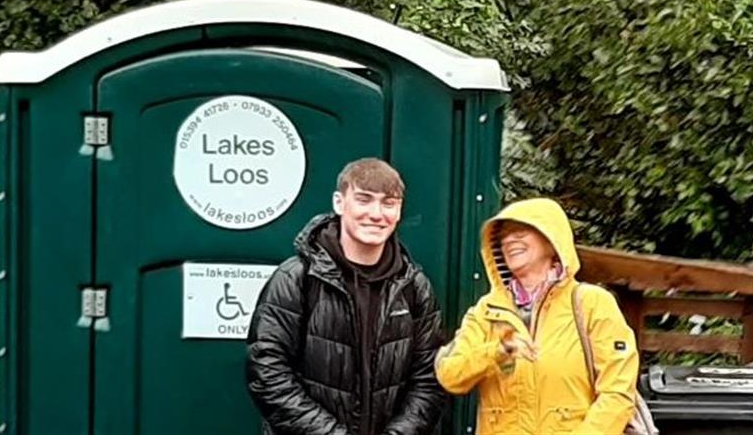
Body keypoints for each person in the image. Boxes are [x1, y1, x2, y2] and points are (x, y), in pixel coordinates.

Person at [246, 158, 446, 435]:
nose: (376, 214)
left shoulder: (414, 286)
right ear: (339, 203)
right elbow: (267, 371)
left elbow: (430, 377)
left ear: (399, 211)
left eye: (389, 203)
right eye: (364, 200)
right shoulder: (297, 278)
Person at [435, 197, 639, 434]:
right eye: (504, 235)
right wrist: (498, 351)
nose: (510, 239)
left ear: (553, 241)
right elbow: (449, 375)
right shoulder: (486, 311)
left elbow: (618, 393)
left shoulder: (592, 304)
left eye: (521, 231)